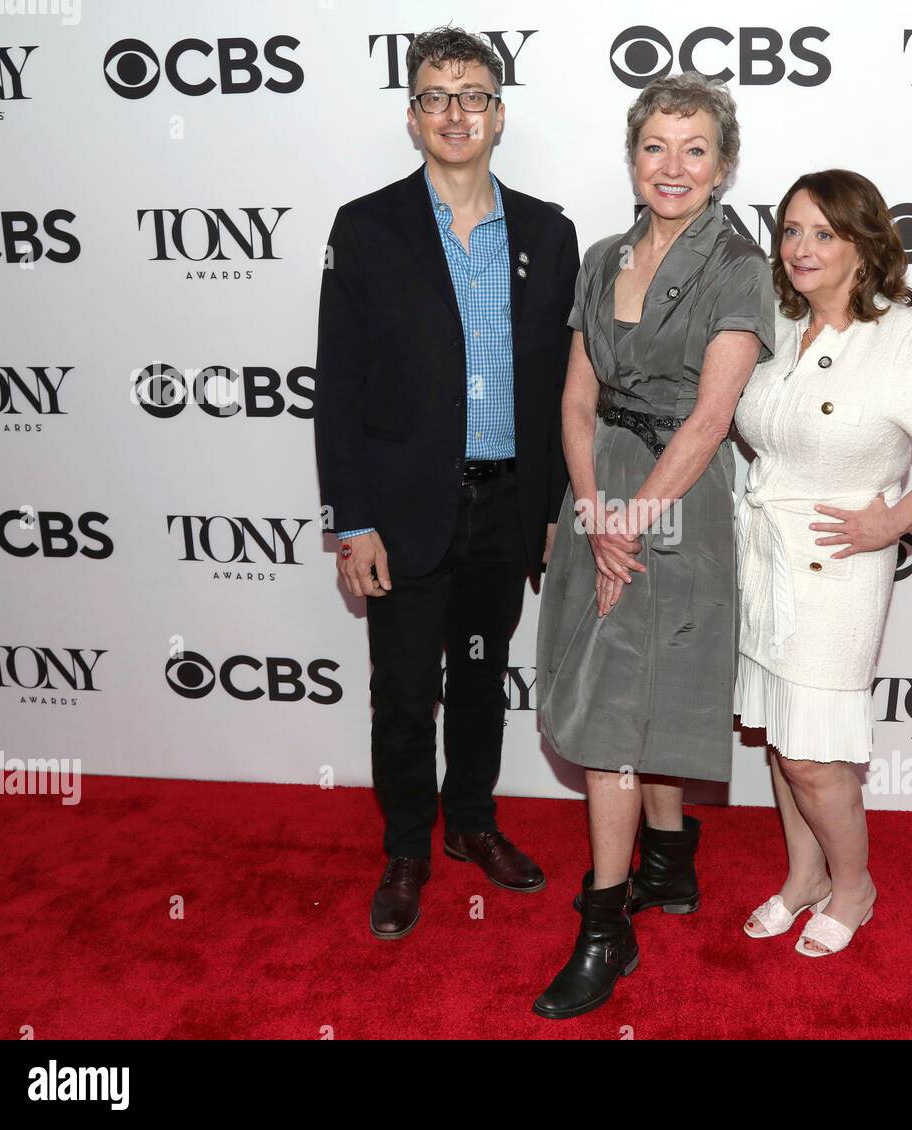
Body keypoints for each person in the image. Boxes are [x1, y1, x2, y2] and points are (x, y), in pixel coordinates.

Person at [313, 26, 578, 940]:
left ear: (499, 114)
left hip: (506, 504)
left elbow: (559, 390)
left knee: (479, 675)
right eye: (435, 96)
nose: (455, 112)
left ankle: (472, 823)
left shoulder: (548, 231)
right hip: (403, 509)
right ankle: (406, 850)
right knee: (400, 690)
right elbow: (338, 388)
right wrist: (354, 522)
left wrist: (550, 511)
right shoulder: (366, 226)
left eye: (472, 95)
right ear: (413, 117)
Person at [532, 72, 775, 1019]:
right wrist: (593, 510)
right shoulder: (601, 257)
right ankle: (668, 869)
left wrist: (630, 525)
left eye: (695, 149)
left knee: (617, 714)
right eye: (654, 148)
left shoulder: (737, 263)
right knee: (620, 687)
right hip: (601, 489)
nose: (672, 168)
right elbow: (576, 398)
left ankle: (605, 926)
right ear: (632, 158)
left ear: (723, 165)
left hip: (678, 496)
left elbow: (713, 419)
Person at [734, 169, 912, 957]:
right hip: (767, 559)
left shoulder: (899, 338)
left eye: (824, 233)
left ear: (864, 246)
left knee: (816, 755)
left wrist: (896, 519)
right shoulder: (779, 328)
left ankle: (854, 887)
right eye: (790, 230)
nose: (801, 248)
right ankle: (803, 878)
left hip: (836, 572)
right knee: (784, 741)